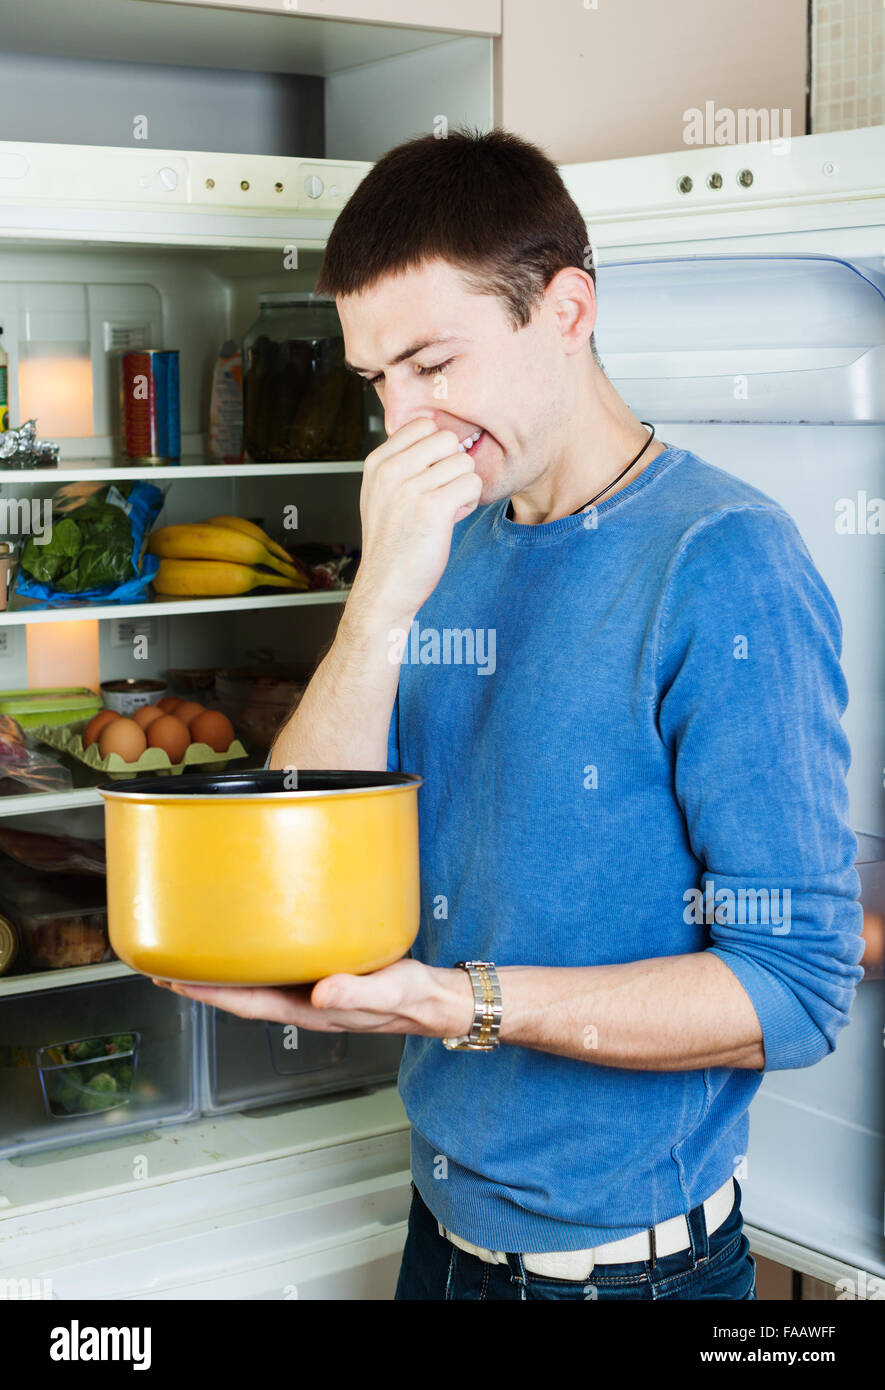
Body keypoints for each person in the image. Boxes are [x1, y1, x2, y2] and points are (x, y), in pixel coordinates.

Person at [158, 128, 865, 1301]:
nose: (405, 422)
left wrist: (458, 1002)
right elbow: (293, 860)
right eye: (378, 381)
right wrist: (377, 605)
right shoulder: (440, 547)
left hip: (633, 1281)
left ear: (567, 308)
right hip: (439, 1243)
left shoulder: (722, 562)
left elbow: (794, 987)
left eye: (434, 364)